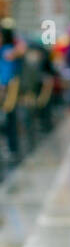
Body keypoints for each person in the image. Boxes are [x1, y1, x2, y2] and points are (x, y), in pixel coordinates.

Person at [0, 25, 27, 164]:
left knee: (10, 119)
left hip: (8, 89)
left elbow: (22, 49)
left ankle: (12, 147)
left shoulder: (9, 50)